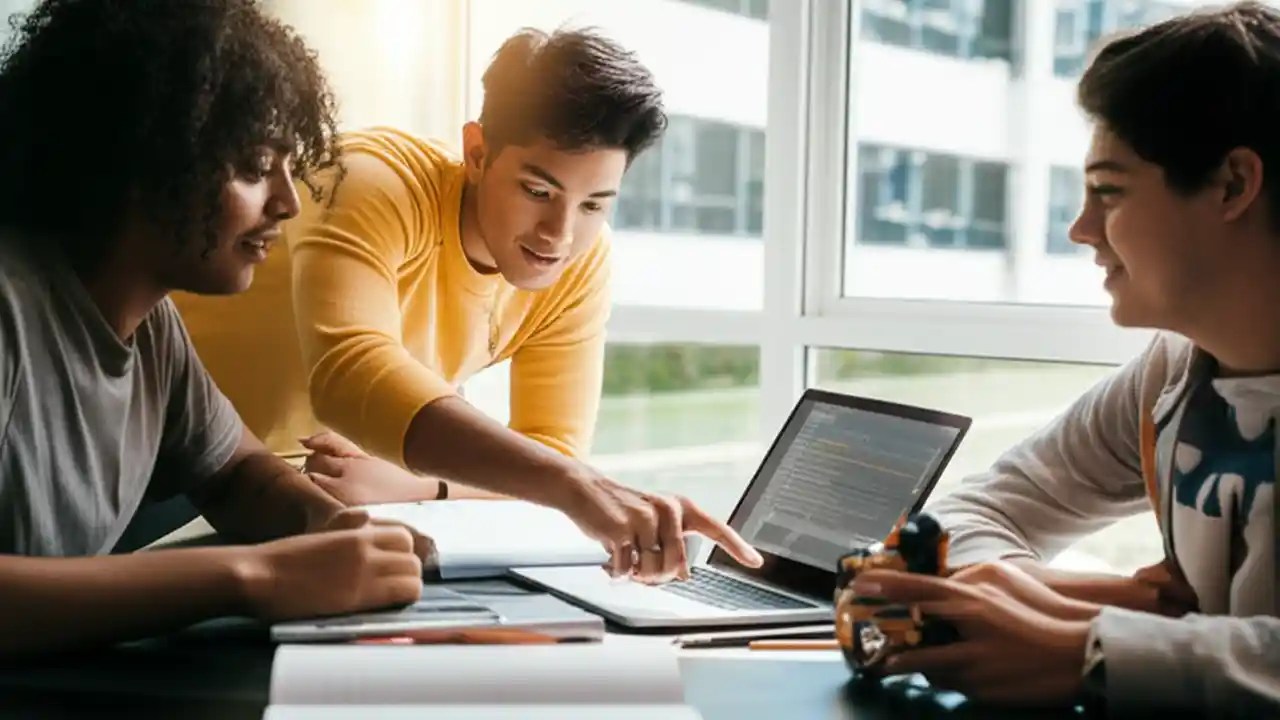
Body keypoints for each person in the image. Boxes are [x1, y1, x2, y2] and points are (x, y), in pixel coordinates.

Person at [174, 27, 763, 582]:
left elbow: (552, 450)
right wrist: (575, 485)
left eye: (594, 206)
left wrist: (423, 485)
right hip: (173, 469)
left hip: (294, 500)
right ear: (477, 153)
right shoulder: (370, 181)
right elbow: (350, 373)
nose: (559, 234)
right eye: (539, 192)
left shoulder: (579, 264)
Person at [853, 3, 1279, 714]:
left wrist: (1097, 650)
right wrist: (1044, 603)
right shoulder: (1170, 370)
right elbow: (983, 508)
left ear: (1233, 185)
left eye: (1108, 192)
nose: (1080, 229)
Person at [0, 0, 433, 659]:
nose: (287, 203)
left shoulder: (153, 330)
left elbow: (235, 472)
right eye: (258, 167)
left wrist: (328, 523)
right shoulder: (9, 303)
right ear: (147, 156)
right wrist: (255, 578)